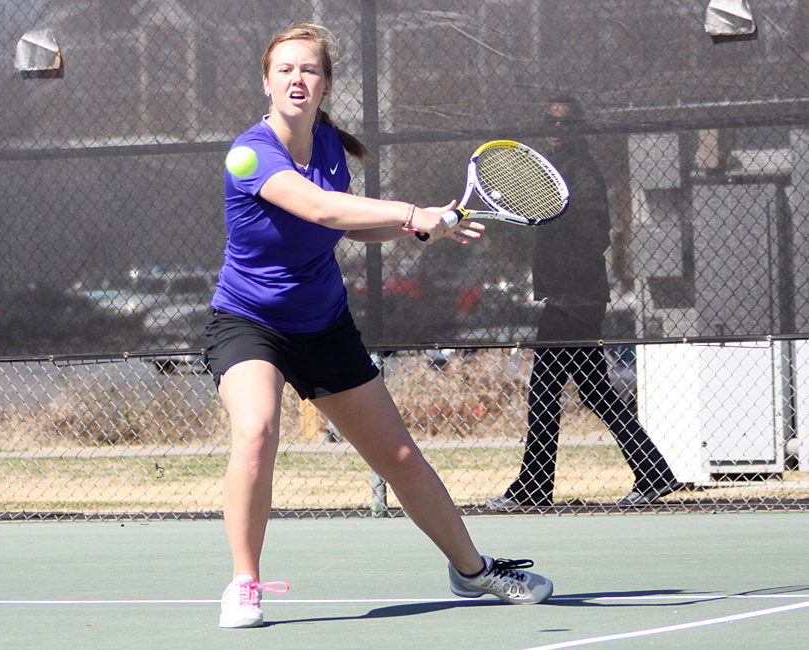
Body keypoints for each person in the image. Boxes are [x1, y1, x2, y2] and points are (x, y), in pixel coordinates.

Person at [209, 24, 553, 629]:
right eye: (285, 69)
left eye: (309, 70)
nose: (297, 79)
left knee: (398, 456)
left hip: (324, 325)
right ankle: (243, 583)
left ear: (325, 84)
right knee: (258, 431)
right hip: (249, 322)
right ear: (266, 82)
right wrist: (409, 212)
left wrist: (418, 226)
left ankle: (474, 572)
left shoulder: (330, 152)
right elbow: (317, 208)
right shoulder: (249, 152)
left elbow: (344, 226)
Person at [486, 94, 683, 512]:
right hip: (565, 295)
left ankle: (533, 489)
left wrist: (556, 225)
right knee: (595, 392)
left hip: (577, 298)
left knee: (544, 391)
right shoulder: (552, 171)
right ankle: (654, 473)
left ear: (578, 128)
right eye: (550, 122)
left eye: (565, 123)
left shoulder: (584, 174)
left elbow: (596, 234)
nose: (557, 130)